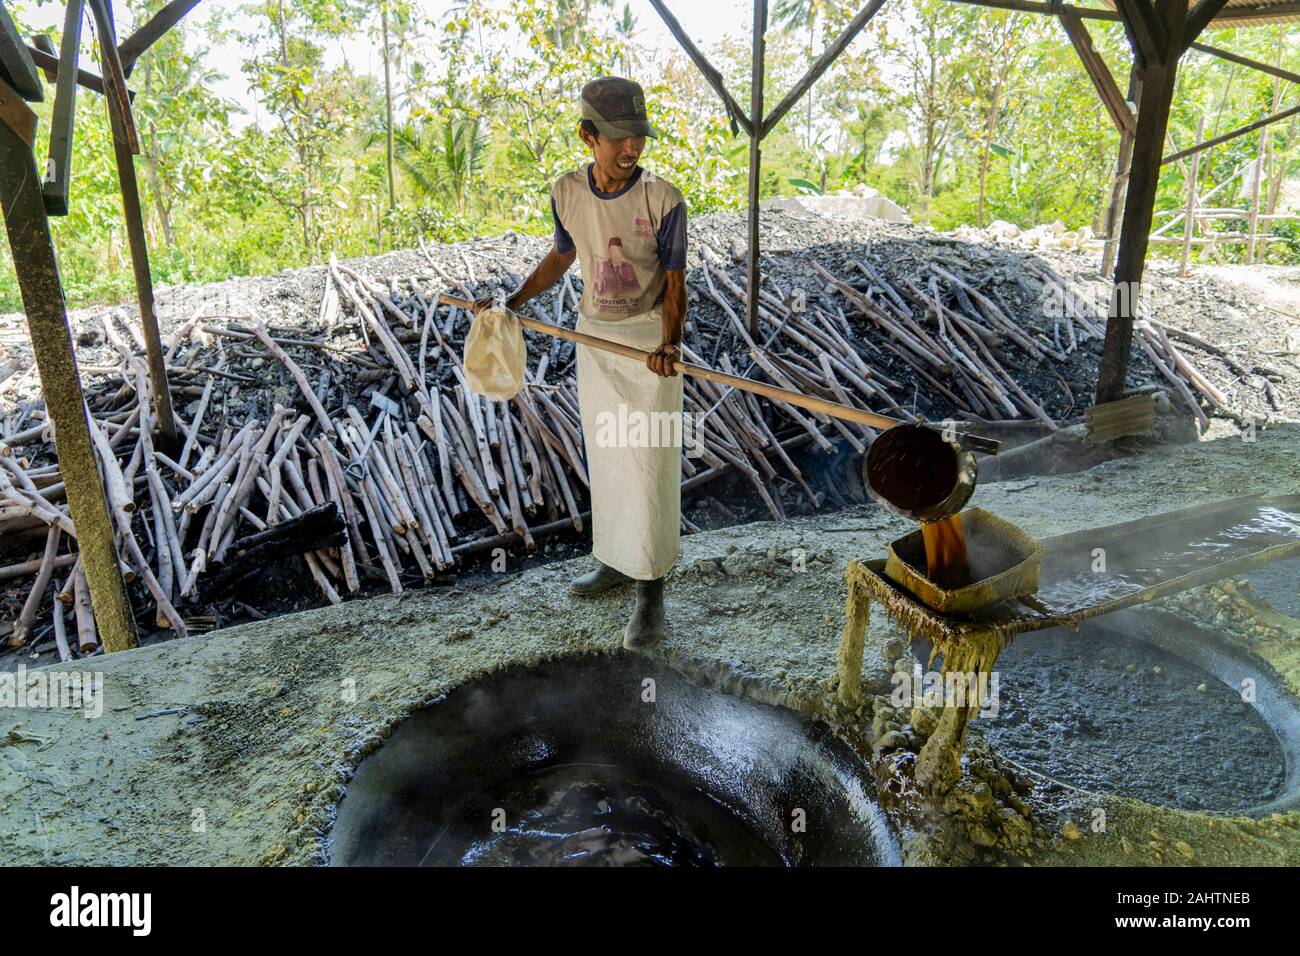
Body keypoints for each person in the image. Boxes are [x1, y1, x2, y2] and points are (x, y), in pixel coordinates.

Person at [473, 76, 687, 650]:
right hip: (595, 340)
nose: (632, 149)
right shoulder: (566, 192)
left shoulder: (663, 199)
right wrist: (512, 303)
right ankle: (618, 562)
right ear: (586, 136)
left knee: (648, 466)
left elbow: (674, 285)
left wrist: (669, 345)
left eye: (637, 137)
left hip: (648, 349)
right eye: (619, 138)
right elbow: (563, 257)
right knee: (612, 458)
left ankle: (651, 591)